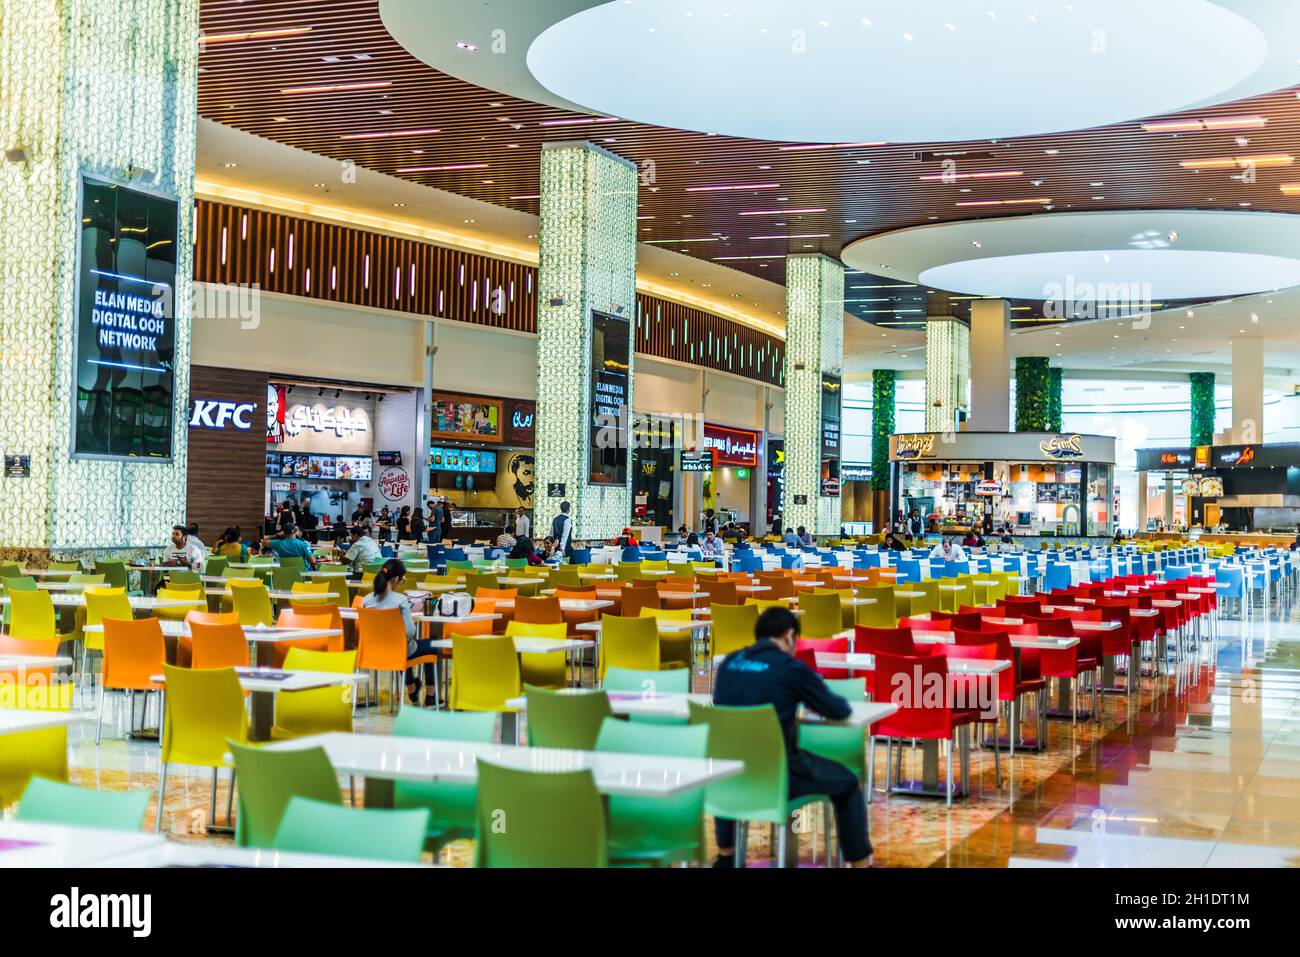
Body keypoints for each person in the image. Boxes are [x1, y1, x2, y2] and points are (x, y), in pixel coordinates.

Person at [712, 607, 871, 868]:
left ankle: (726, 855)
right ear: (789, 636)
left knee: (738, 753)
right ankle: (862, 864)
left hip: (728, 775)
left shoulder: (729, 663)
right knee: (848, 782)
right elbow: (838, 710)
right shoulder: (790, 669)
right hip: (780, 775)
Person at [361, 559, 424, 704]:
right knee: (432, 645)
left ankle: (412, 687)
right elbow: (410, 631)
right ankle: (431, 696)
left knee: (401, 647)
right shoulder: (400, 600)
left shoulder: (366, 600)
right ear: (396, 579)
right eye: (402, 581)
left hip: (372, 650)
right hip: (398, 650)